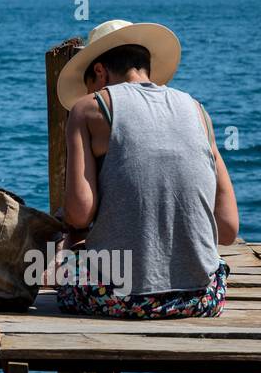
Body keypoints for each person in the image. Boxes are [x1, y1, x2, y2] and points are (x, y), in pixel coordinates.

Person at [56, 19, 239, 318]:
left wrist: (72, 230)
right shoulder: (197, 110)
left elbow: (80, 212)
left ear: (100, 72)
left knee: (66, 243)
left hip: (119, 298)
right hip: (204, 297)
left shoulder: (88, 109)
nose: (89, 94)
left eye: (89, 86)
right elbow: (228, 229)